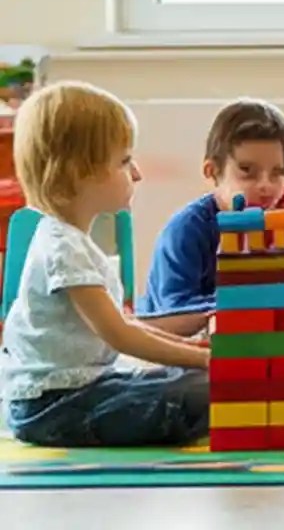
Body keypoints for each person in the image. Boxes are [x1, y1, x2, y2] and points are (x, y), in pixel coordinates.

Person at [1, 81, 210, 447]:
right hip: (55, 407)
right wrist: (206, 362)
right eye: (124, 161)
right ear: (79, 172)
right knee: (201, 393)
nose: (138, 174)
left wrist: (195, 352)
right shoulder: (62, 247)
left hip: (84, 387)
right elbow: (120, 335)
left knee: (190, 378)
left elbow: (124, 322)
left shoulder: (73, 241)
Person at [135, 99, 284, 337]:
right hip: (178, 351)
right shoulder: (187, 230)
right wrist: (247, 301)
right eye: (247, 171)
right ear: (212, 171)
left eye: (278, 173)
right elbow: (171, 315)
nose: (266, 186)